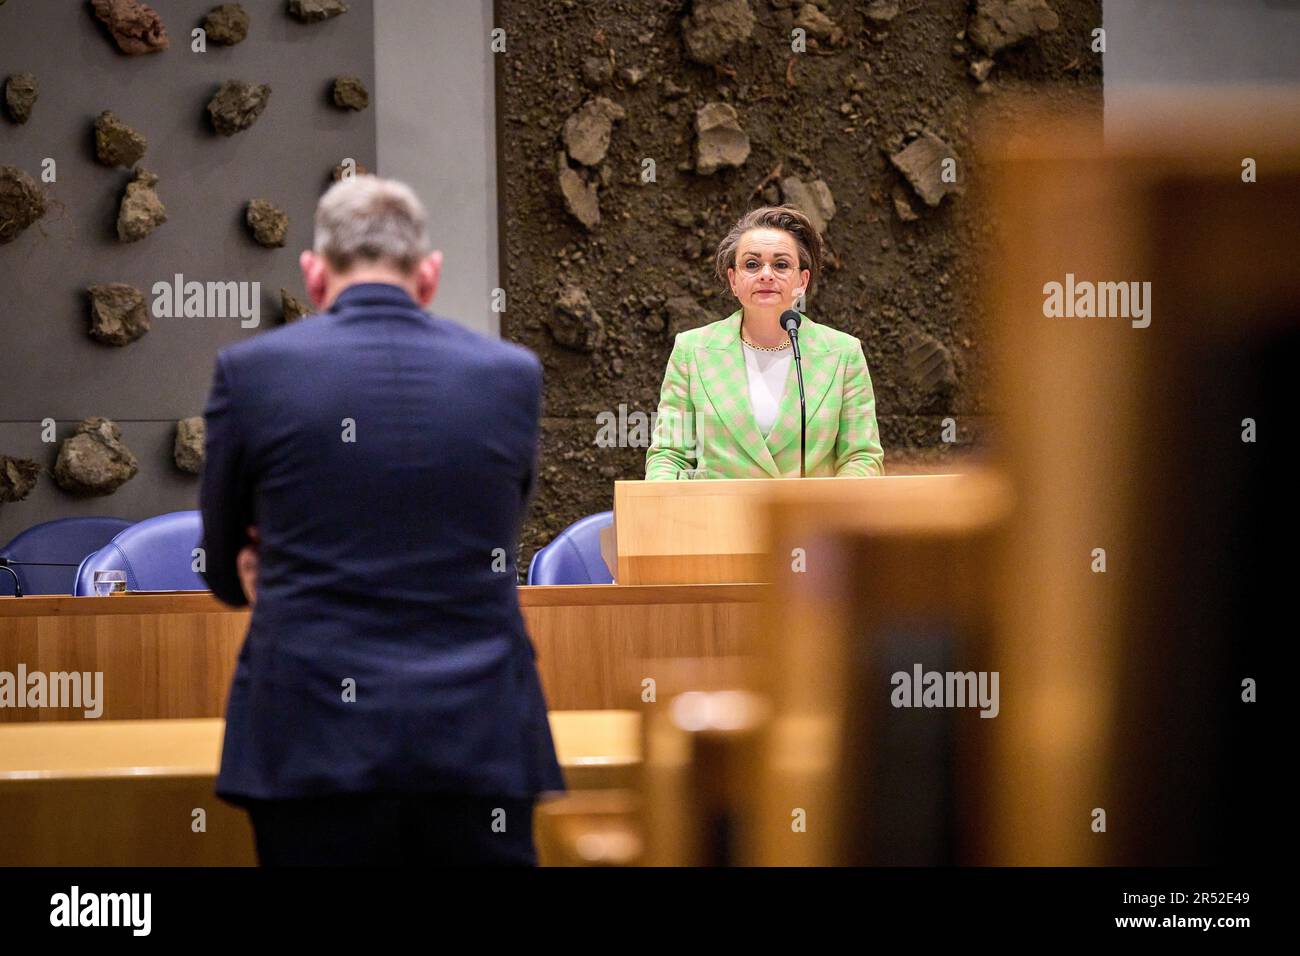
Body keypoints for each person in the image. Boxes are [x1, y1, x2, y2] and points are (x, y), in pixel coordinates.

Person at [199, 175, 564, 865]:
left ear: (313, 275)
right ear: (427, 276)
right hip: (476, 738)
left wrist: (267, 563)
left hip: (311, 743)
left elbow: (221, 569)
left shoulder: (251, 373)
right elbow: (498, 532)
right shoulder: (509, 374)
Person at [645, 206, 885, 480]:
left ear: (802, 282)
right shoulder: (692, 350)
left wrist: (830, 512)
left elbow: (861, 457)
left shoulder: (844, 353)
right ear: (733, 280)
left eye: (781, 265)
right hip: (718, 519)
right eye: (752, 264)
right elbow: (669, 455)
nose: (766, 274)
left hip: (810, 521)